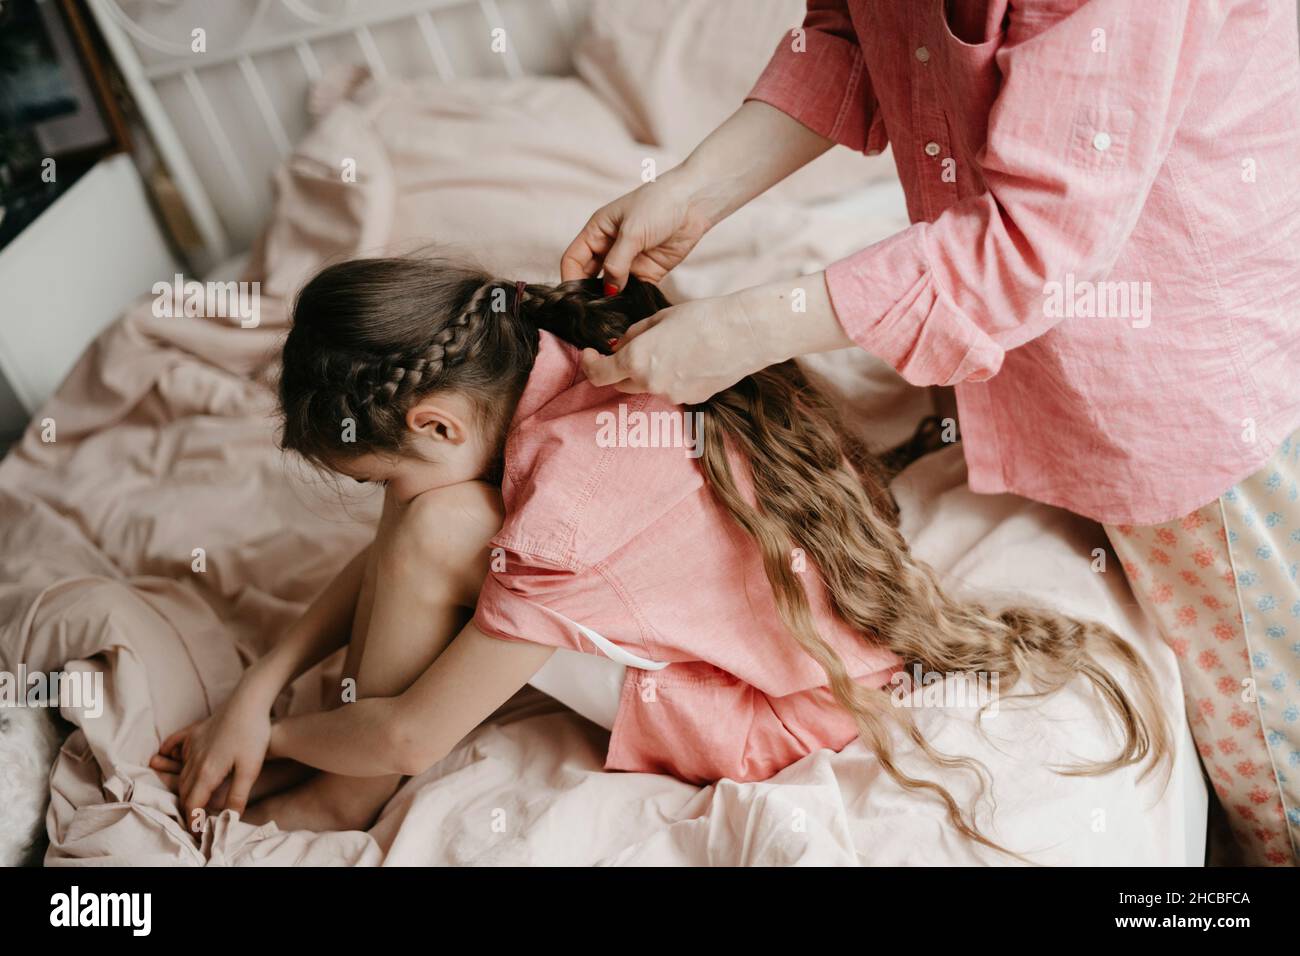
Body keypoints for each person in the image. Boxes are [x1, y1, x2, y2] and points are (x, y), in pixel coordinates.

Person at [561, 0, 1300, 866]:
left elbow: (1031, 239)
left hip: (1192, 361)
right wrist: (692, 191)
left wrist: (741, 332)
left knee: (1267, 757)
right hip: (1054, 344)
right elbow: (859, 35)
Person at [151, 255, 1167, 856]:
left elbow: (414, 736)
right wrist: (265, 687)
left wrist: (279, 740)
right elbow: (408, 539)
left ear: (437, 423)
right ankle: (333, 725)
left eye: (373, 475)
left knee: (435, 525)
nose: (382, 506)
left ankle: (339, 784)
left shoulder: (564, 502)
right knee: (434, 519)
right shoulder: (546, 346)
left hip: (764, 713)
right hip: (783, 624)